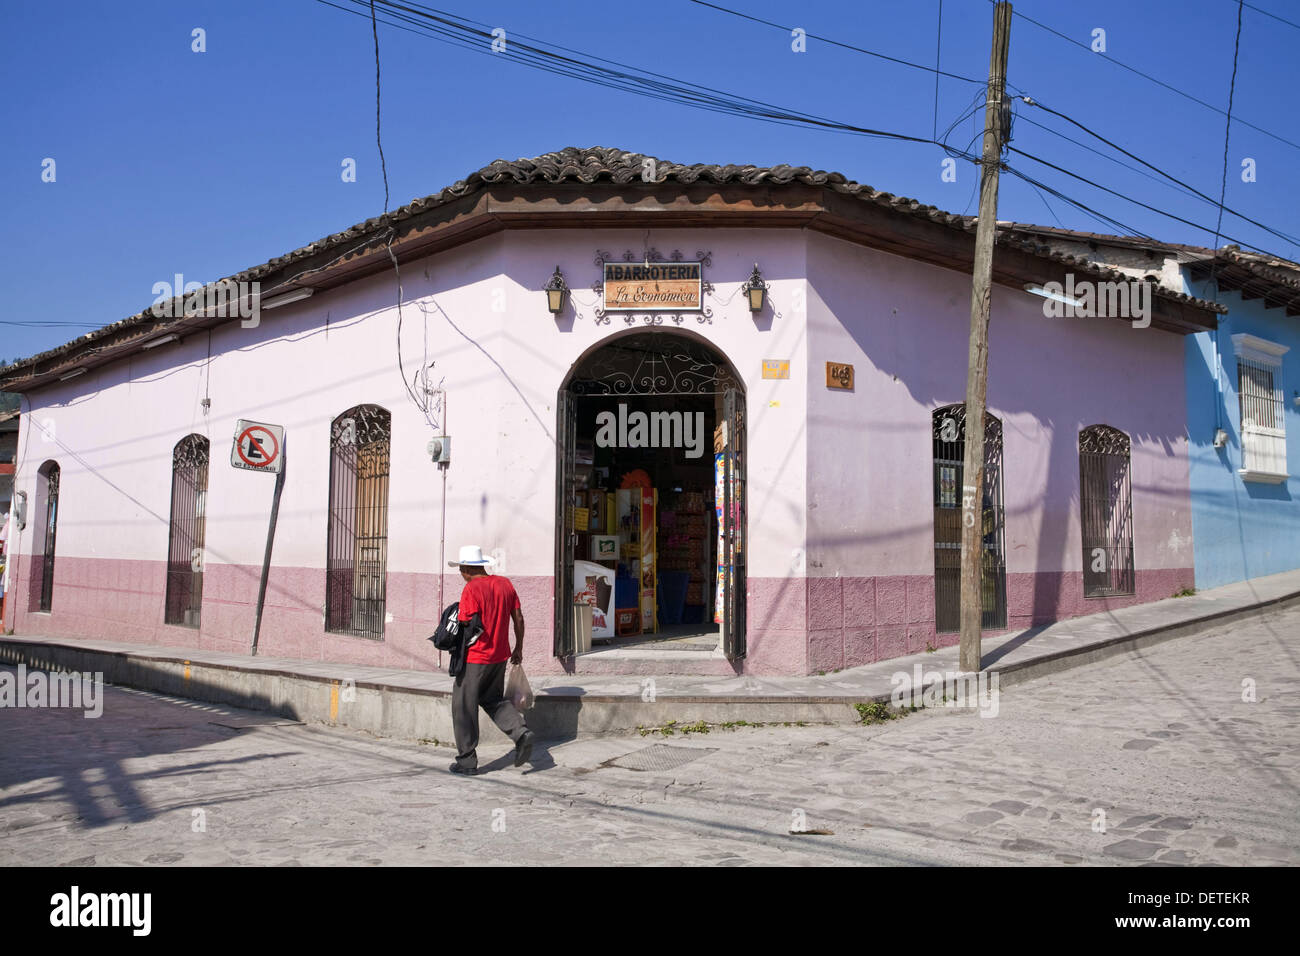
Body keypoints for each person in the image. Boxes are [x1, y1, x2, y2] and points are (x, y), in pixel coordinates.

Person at [447, 544, 535, 775]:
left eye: (460, 570)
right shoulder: (505, 584)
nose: (461, 574)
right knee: (493, 699)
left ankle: (466, 761)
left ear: (466, 568)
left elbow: (467, 624)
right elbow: (519, 618)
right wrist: (519, 647)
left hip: (476, 658)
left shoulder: (471, 589)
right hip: (500, 656)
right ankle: (521, 732)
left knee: (463, 706)